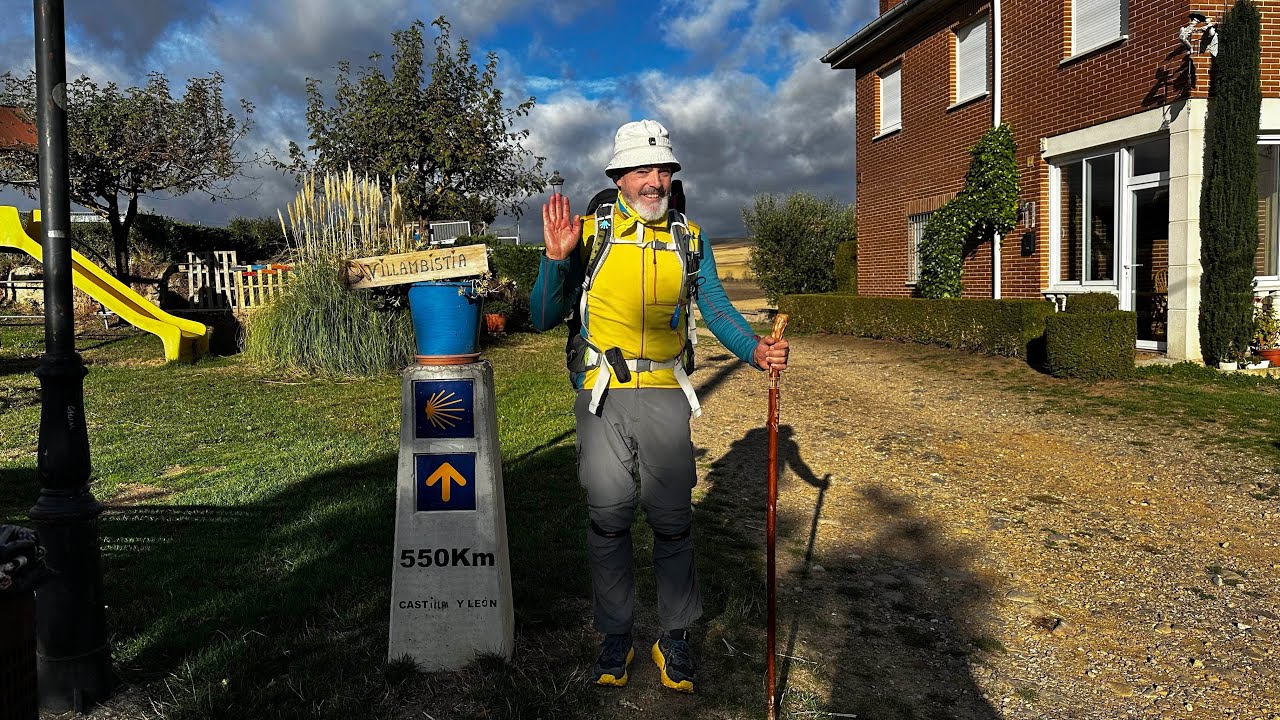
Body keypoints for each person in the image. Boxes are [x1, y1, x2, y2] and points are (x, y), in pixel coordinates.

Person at [529, 119, 789, 693]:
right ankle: (616, 634)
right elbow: (544, 315)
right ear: (618, 177)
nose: (656, 181)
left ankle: (675, 636)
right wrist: (554, 261)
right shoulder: (588, 233)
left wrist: (755, 350)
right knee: (609, 517)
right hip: (603, 394)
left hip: (668, 392)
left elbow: (717, 309)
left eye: (664, 169)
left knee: (672, 523)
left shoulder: (689, 240)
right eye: (643, 170)